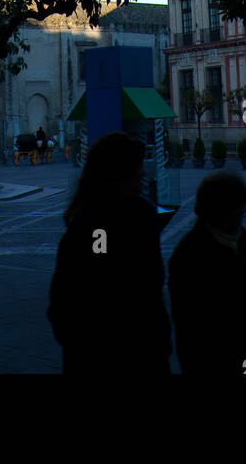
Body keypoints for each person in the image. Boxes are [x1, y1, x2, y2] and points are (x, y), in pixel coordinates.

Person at [47, 131, 171, 374]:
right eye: (138, 165)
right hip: (134, 354)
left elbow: (62, 301)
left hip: (94, 355)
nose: (143, 172)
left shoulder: (86, 219)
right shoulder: (129, 219)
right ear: (121, 171)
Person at [168, 170, 246, 374]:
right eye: (238, 212)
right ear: (219, 211)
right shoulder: (189, 255)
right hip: (212, 360)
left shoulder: (241, 237)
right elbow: (191, 325)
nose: (242, 217)